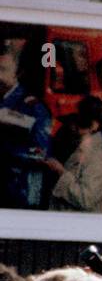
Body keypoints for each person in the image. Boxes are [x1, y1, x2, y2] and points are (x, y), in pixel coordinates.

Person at [0, 49, 53, 209]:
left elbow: (41, 152)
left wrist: (7, 153)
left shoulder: (33, 107)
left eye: (3, 70)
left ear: (18, 73)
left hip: (20, 189)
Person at [50, 96, 102, 213]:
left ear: (93, 125)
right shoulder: (81, 148)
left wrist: (61, 172)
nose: (73, 124)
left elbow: (87, 198)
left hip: (82, 225)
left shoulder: (97, 157)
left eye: (80, 119)